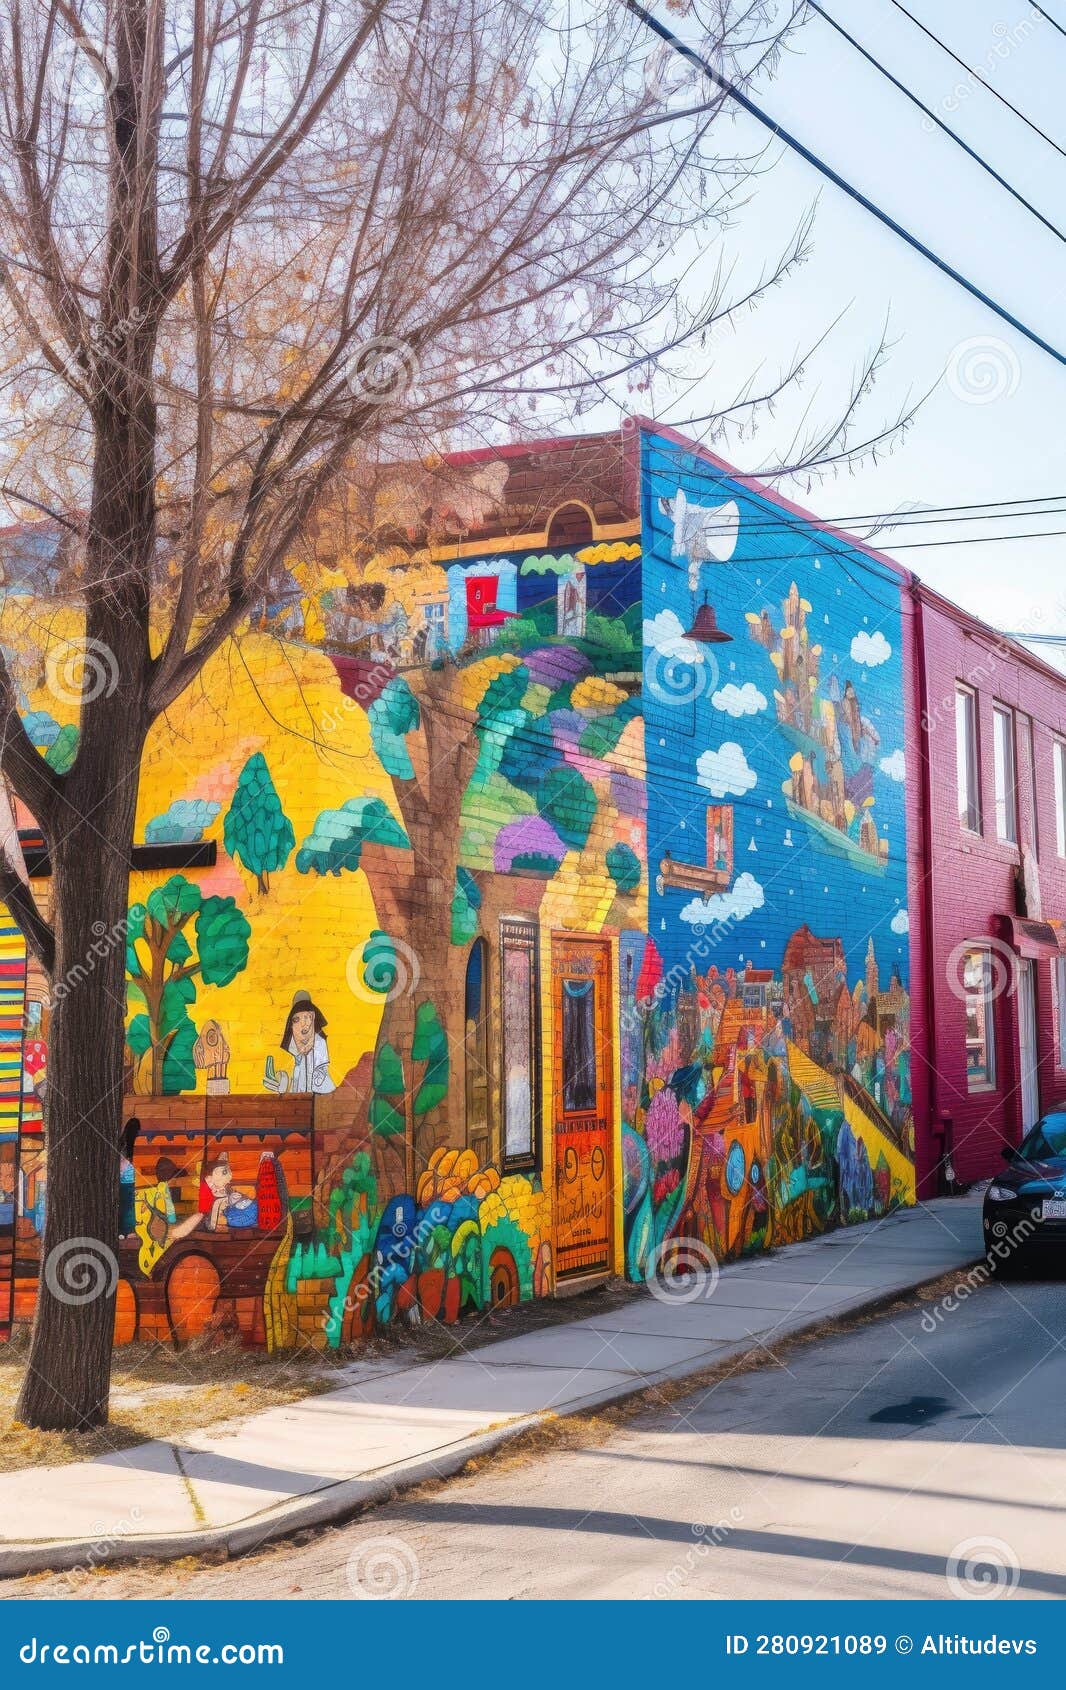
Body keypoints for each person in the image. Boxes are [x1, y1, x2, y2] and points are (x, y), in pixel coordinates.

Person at [264, 989, 335, 1094]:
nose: (303, 1024)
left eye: (307, 1017)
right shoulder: (297, 1062)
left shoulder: (319, 1045)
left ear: (313, 1019)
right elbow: (296, 1090)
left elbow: (319, 1085)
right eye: (296, 1020)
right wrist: (281, 1086)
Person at [119, 1116, 140, 1237]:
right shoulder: (128, 1145)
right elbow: (123, 1163)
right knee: (128, 1207)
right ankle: (128, 1231)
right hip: (128, 1180)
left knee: (125, 1207)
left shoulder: (123, 1143)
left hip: (125, 1180)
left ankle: (124, 1231)